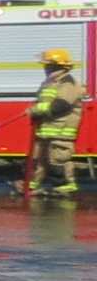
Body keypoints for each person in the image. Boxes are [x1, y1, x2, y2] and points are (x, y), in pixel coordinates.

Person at [25, 46, 83, 197]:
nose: (45, 68)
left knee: (58, 161)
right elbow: (42, 102)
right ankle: (31, 185)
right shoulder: (50, 83)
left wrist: (36, 110)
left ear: (56, 65)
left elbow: (61, 105)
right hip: (46, 130)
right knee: (40, 160)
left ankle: (64, 188)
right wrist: (35, 112)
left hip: (61, 131)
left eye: (47, 65)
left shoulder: (68, 83)